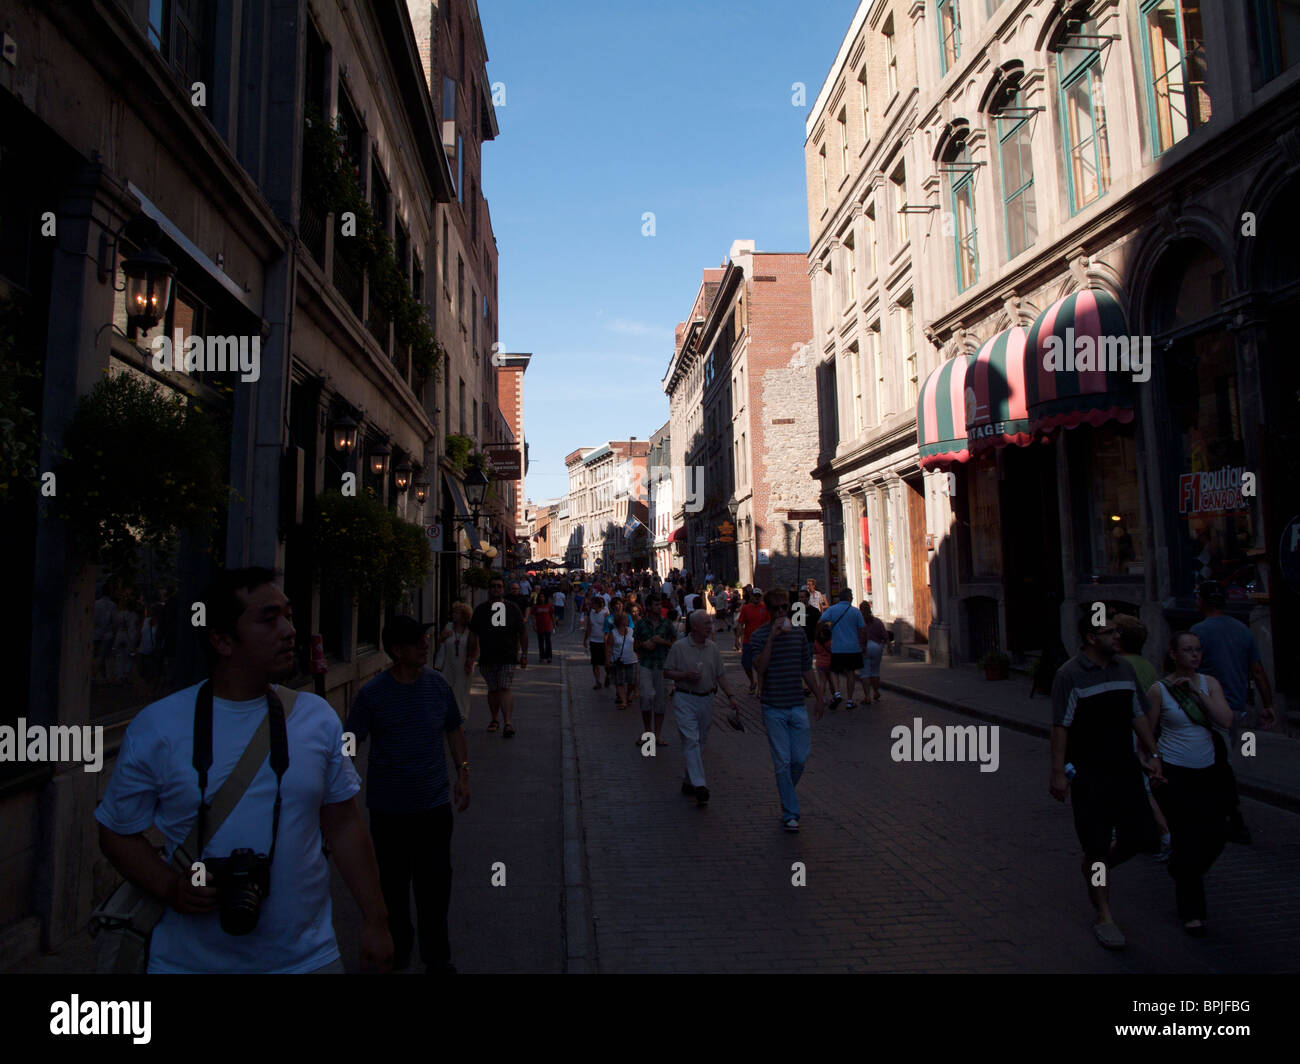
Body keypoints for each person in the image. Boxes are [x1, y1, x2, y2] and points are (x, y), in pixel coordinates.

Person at [95, 566, 393, 973]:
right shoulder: (159, 726)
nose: (289, 630)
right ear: (221, 639)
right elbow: (115, 829)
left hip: (307, 959)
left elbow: (343, 823)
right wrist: (169, 886)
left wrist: (376, 921)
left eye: (288, 615)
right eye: (269, 619)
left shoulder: (316, 718)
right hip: (187, 963)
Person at [345, 617, 470, 973]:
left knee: (435, 888)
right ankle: (398, 950)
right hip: (389, 810)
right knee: (393, 888)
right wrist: (340, 786)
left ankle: (436, 957)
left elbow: (454, 730)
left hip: (433, 807)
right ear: (398, 651)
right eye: (419, 641)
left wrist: (464, 774)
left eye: (426, 639)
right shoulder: (373, 694)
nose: (426, 645)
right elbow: (351, 740)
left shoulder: (438, 686)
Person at [1049, 614, 1164, 951]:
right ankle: (1104, 913)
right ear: (1089, 637)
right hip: (1089, 774)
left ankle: (1097, 867)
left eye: (1118, 631)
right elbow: (1060, 727)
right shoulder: (1069, 675)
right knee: (1096, 846)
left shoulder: (1124, 669)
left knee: (1141, 838)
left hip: (1125, 769)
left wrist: (1153, 754)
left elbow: (1137, 714)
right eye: (1109, 632)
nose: (1118, 636)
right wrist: (1058, 773)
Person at [1145, 631, 1234, 936]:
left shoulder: (1210, 684)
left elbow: (1226, 719)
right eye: (1187, 650)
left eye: (1197, 650)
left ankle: (1182, 870)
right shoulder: (1160, 690)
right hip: (1176, 771)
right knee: (1187, 838)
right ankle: (1193, 912)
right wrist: (1152, 761)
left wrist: (1199, 695)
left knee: (1217, 833)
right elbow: (1148, 731)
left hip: (1208, 771)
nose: (1194, 655)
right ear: (1173, 654)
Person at [1191, 580, 1276, 844]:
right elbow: (1258, 671)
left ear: (1202, 601)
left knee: (1215, 763)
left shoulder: (1198, 632)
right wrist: (1268, 704)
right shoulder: (1242, 630)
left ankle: (1229, 816)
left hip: (1210, 707)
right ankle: (1224, 812)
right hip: (1236, 706)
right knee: (1223, 759)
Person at [750, 589, 824, 832]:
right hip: (773, 707)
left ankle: (785, 792)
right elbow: (760, 668)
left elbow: (806, 668)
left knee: (800, 759)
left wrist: (819, 695)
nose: (781, 612)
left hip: (796, 705)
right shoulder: (760, 636)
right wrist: (772, 637)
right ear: (768, 611)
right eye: (776, 608)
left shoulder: (799, 635)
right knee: (782, 761)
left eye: (784, 607)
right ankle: (791, 812)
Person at [664, 610, 742, 807]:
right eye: (707, 623)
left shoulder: (713, 648)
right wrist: (684, 676)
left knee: (700, 741)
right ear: (695, 626)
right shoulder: (679, 647)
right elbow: (667, 672)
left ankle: (689, 781)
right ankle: (700, 785)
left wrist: (731, 696)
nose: (711, 627)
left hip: (707, 699)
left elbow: (721, 675)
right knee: (691, 740)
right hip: (685, 698)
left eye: (711, 623)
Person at [1115, 613, 1173, 862]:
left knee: (1142, 787)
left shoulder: (1120, 666)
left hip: (1131, 731)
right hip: (1147, 729)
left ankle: (1166, 836)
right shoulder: (1147, 665)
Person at [466, 576, 528, 738]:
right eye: (493, 586)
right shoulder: (481, 609)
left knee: (505, 687)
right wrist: (470, 656)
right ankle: (494, 719)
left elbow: (522, 632)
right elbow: (473, 634)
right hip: (487, 655)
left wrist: (524, 654)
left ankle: (508, 722)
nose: (496, 589)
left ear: (503, 589)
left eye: (499, 587)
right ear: (489, 589)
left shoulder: (512, 608)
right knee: (493, 689)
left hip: (507, 654)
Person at [634, 593, 676, 750]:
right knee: (645, 698)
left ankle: (657, 735)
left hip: (662, 665)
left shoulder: (667, 624)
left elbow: (674, 644)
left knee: (660, 701)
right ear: (649, 607)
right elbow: (635, 645)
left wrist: (662, 641)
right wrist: (644, 645)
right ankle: (647, 732)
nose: (659, 607)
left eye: (660, 605)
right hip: (646, 664)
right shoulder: (641, 624)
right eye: (656, 605)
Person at [819, 588, 866, 709]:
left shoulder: (832, 610)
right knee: (851, 673)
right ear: (849, 598)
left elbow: (821, 621)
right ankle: (850, 700)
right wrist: (862, 645)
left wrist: (825, 631)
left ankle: (837, 692)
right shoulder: (856, 612)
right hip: (853, 648)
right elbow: (862, 629)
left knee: (834, 671)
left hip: (837, 647)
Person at [435, 602, 473, 729]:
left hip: (463, 664)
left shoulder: (470, 631)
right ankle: (448, 715)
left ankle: (460, 716)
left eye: (456, 613)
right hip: (448, 663)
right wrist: (441, 638)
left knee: (461, 690)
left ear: (464, 616)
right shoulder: (448, 627)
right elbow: (439, 644)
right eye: (453, 612)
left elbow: (475, 647)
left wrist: (470, 660)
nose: (453, 615)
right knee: (448, 688)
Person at [734, 589, 771, 696]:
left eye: (759, 596)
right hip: (748, 640)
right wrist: (737, 639)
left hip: (762, 641)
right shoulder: (746, 608)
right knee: (746, 663)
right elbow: (741, 624)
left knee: (760, 665)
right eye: (755, 596)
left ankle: (760, 688)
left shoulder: (765, 608)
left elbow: (769, 623)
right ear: (751, 596)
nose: (757, 598)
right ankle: (752, 681)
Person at [856, 600, 890, 704]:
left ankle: (867, 696)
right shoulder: (877, 621)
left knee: (865, 673)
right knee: (875, 671)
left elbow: (856, 636)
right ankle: (876, 691)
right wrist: (889, 645)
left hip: (864, 647)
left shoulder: (859, 623)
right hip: (876, 647)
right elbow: (885, 635)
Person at [605, 607, 638, 711]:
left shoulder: (632, 631)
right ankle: (624, 701)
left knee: (632, 681)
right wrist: (608, 660)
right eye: (625, 618)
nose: (627, 620)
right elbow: (609, 647)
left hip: (632, 660)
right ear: (620, 621)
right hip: (619, 661)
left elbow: (637, 643)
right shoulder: (613, 633)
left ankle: (627, 695)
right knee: (619, 682)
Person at [93, 581, 118, 683]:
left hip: (96, 633)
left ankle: (98, 675)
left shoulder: (95, 604)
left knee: (96, 655)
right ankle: (100, 675)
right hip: (107, 634)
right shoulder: (112, 605)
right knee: (103, 656)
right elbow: (114, 621)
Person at [584, 596, 610, 689]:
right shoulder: (591, 612)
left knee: (606, 663)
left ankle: (608, 676)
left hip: (604, 641)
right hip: (593, 640)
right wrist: (585, 639)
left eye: (593, 603)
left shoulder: (605, 614)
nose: (591, 605)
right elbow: (589, 626)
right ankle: (597, 681)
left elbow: (609, 628)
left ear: (598, 604)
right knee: (594, 663)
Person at [532, 594, 555, 664]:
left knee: (548, 642)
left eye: (543, 597)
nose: (542, 598)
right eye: (540, 597)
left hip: (547, 626)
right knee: (541, 642)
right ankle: (542, 657)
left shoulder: (549, 605)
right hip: (539, 627)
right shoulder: (536, 606)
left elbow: (552, 615)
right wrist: (534, 625)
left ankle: (549, 657)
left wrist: (554, 624)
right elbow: (534, 617)